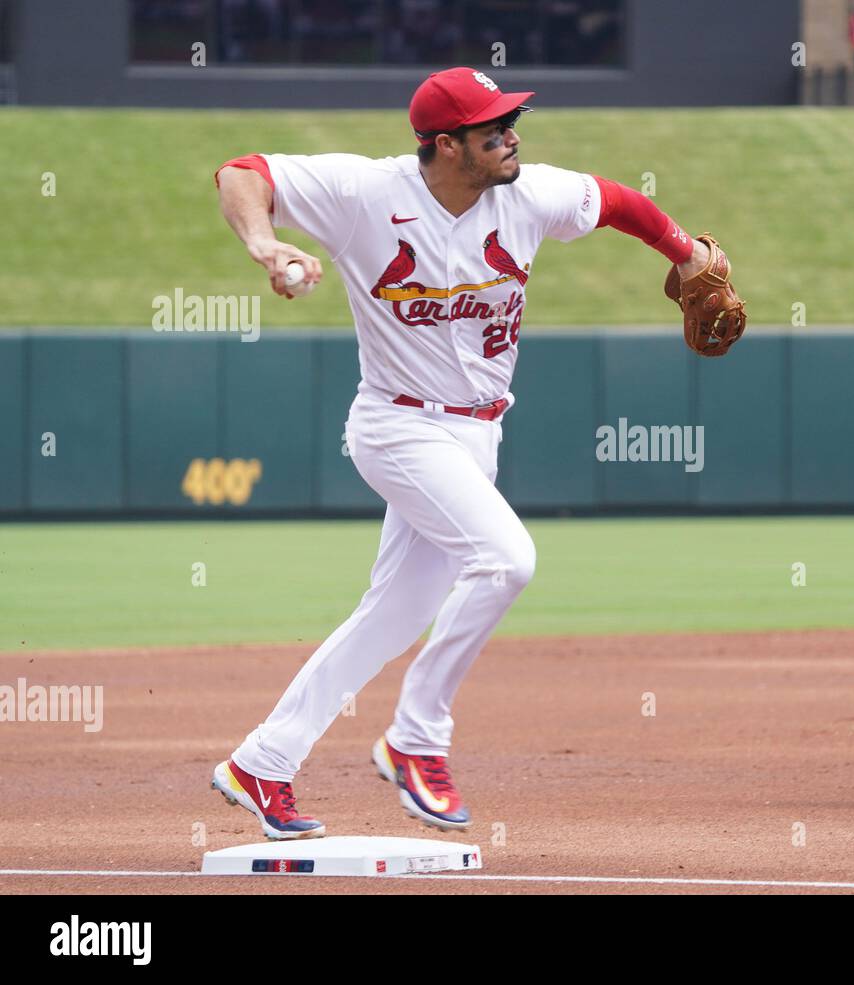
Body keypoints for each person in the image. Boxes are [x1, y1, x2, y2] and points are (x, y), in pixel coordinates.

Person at [209, 66, 738, 840]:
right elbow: (242, 172)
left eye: (512, 120)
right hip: (397, 426)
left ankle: (263, 760)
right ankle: (416, 739)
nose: (512, 135)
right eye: (495, 129)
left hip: (476, 433)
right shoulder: (366, 194)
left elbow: (618, 201)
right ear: (447, 146)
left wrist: (687, 252)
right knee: (506, 559)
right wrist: (266, 246)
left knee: (393, 615)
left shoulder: (529, 193)